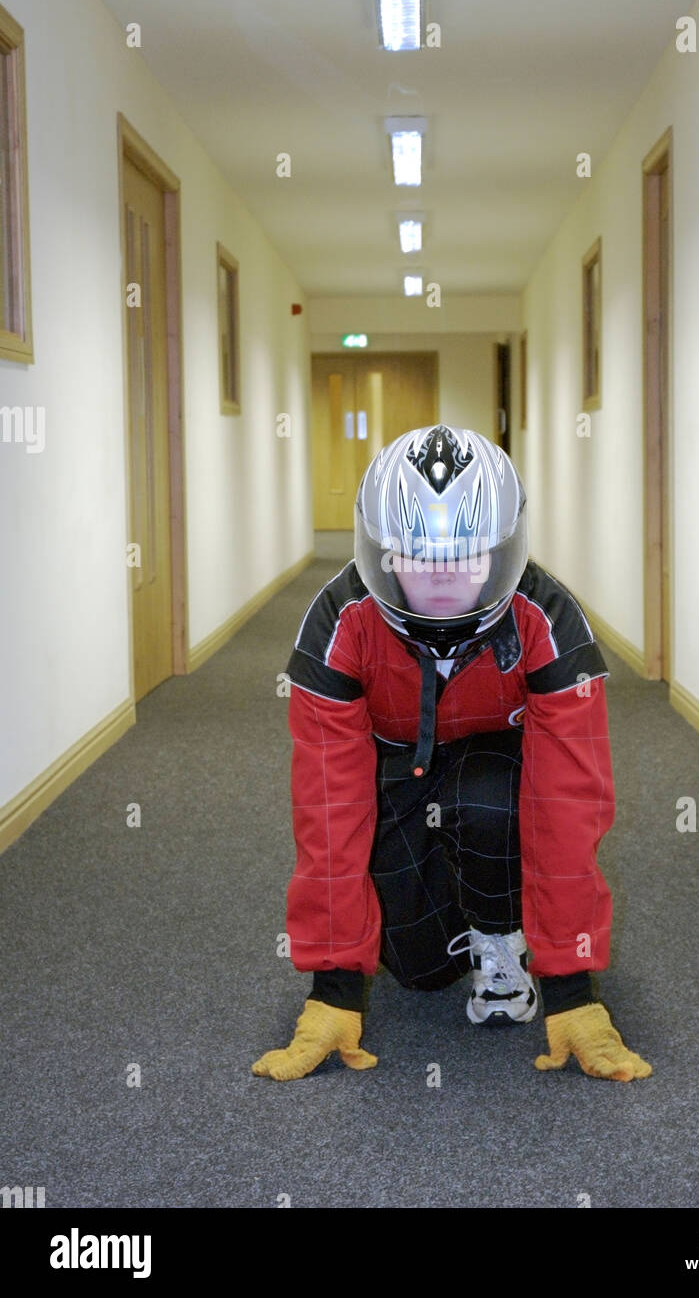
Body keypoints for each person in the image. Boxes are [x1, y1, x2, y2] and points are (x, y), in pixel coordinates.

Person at [252, 424, 651, 1083]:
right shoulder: (338, 625)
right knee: (418, 969)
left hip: (501, 784)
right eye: (414, 557)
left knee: (486, 795)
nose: (440, 582)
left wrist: (573, 989)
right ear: (381, 552)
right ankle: (458, 922)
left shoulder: (547, 621)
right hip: (396, 778)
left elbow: (567, 807)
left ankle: (504, 935)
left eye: (464, 559)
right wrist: (335, 988)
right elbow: (329, 808)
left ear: (501, 550)